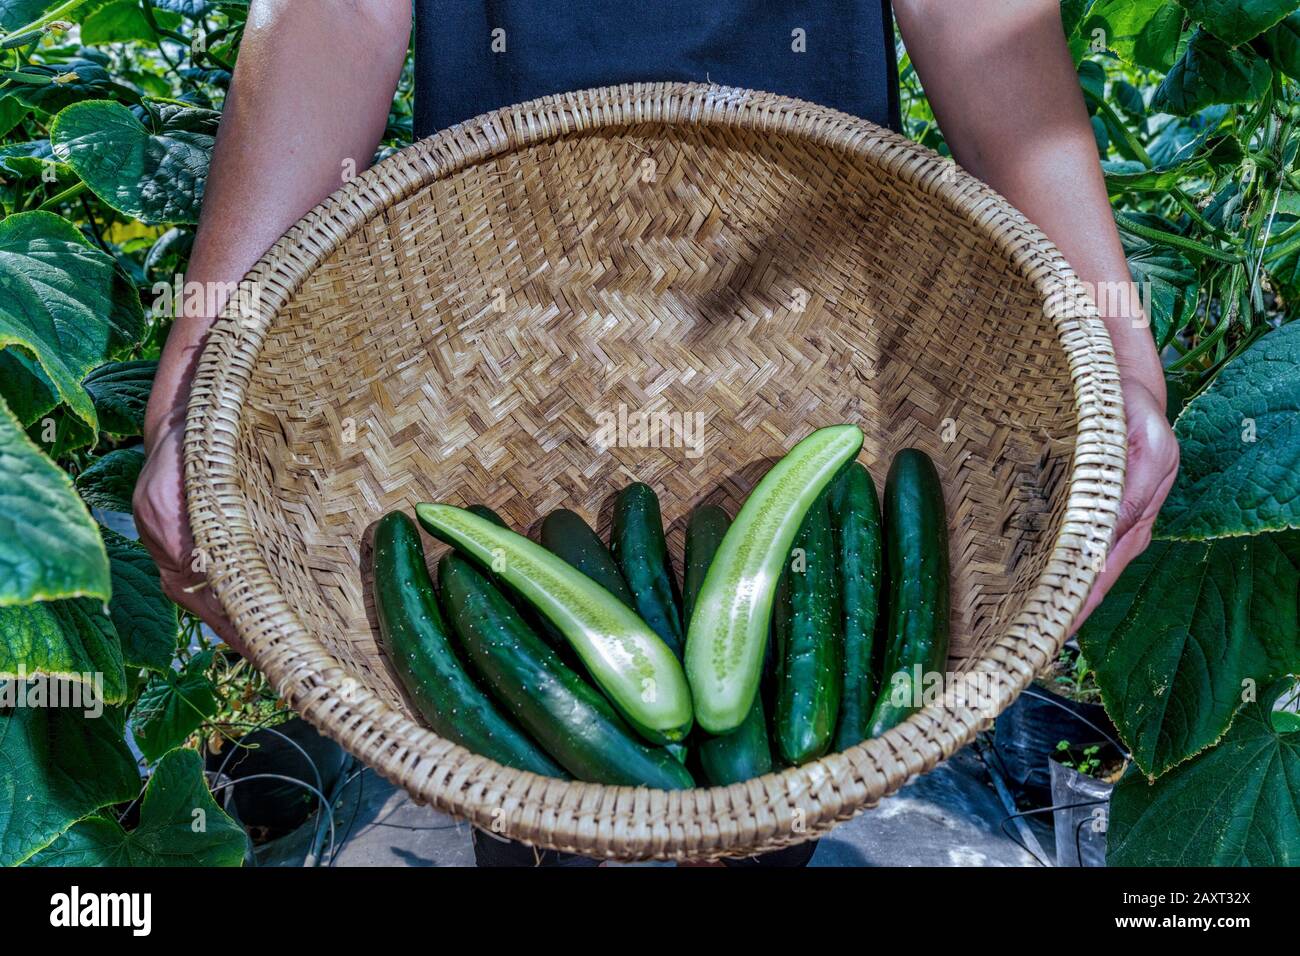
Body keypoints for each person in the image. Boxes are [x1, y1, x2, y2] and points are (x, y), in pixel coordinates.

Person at [134, 0, 1179, 866]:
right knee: (538, 805)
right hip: (495, 304)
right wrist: (206, 361)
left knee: (767, 803)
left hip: (824, 286)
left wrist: (1117, 346)